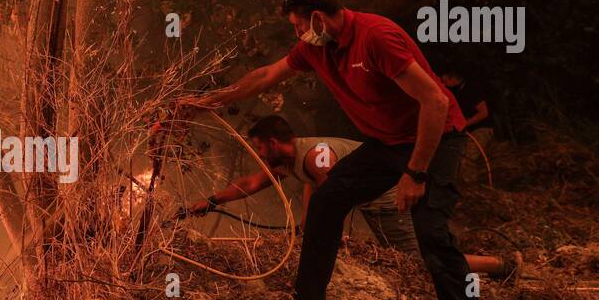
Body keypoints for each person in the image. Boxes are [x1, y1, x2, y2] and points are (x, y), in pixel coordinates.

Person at [175, 0, 490, 300]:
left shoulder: (377, 37)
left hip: (434, 137)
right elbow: (265, 76)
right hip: (385, 143)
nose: (297, 35)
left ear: (318, 19)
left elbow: (435, 101)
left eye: (297, 26)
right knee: (327, 200)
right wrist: (203, 104)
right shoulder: (315, 49)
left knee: (431, 232)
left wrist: (415, 173)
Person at [183, 114, 518, 278]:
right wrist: (212, 201)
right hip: (377, 202)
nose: (257, 152)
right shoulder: (291, 160)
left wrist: (322, 232)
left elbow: (334, 196)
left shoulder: (316, 155)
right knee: (413, 259)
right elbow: (253, 182)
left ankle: (502, 265)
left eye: (258, 146)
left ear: (271, 143)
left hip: (389, 199)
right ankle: (488, 263)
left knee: (420, 261)